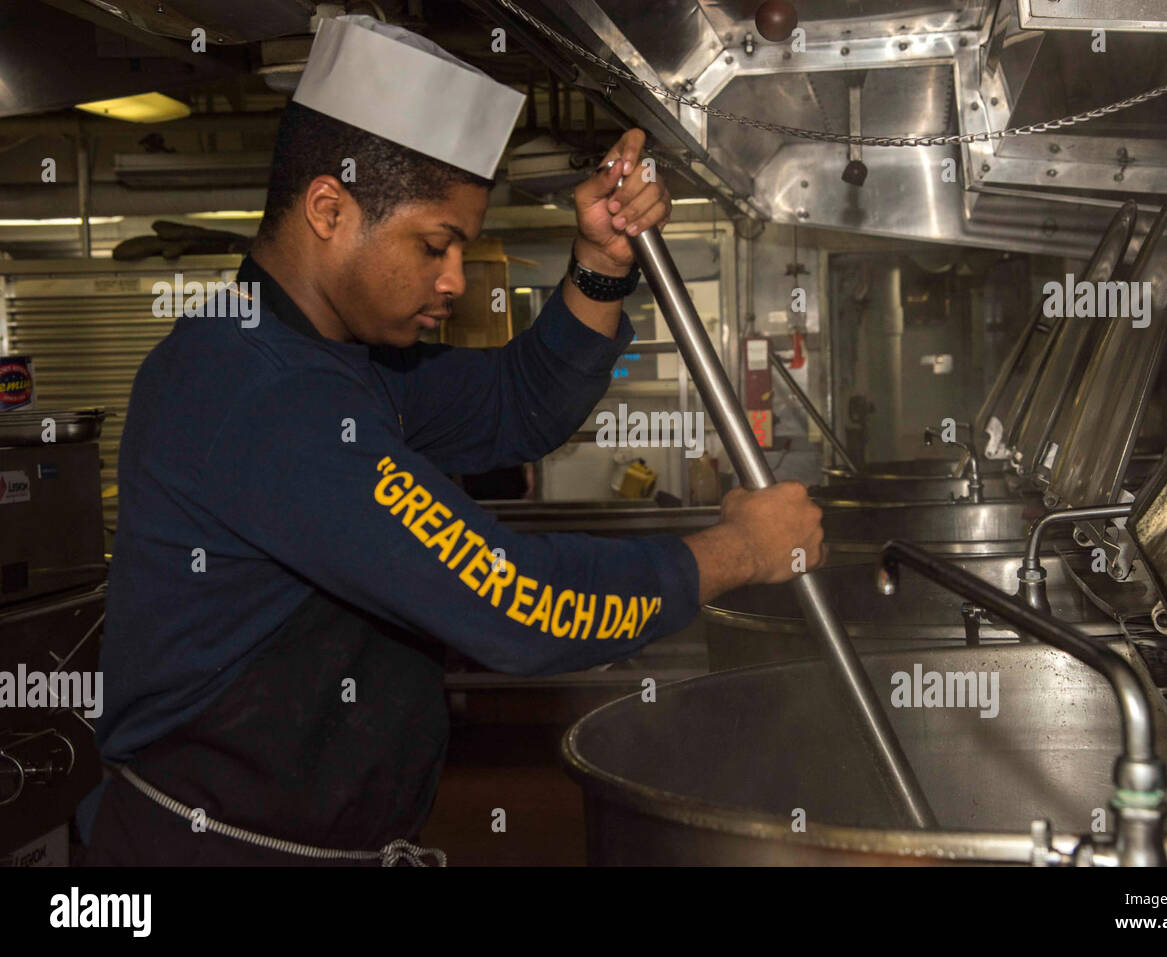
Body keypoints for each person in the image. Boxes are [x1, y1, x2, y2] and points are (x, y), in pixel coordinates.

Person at [79, 14, 825, 865]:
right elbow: (520, 604)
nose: (454, 280)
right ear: (330, 208)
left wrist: (600, 264)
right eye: (437, 244)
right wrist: (737, 551)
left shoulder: (336, 360)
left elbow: (518, 405)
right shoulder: (258, 393)